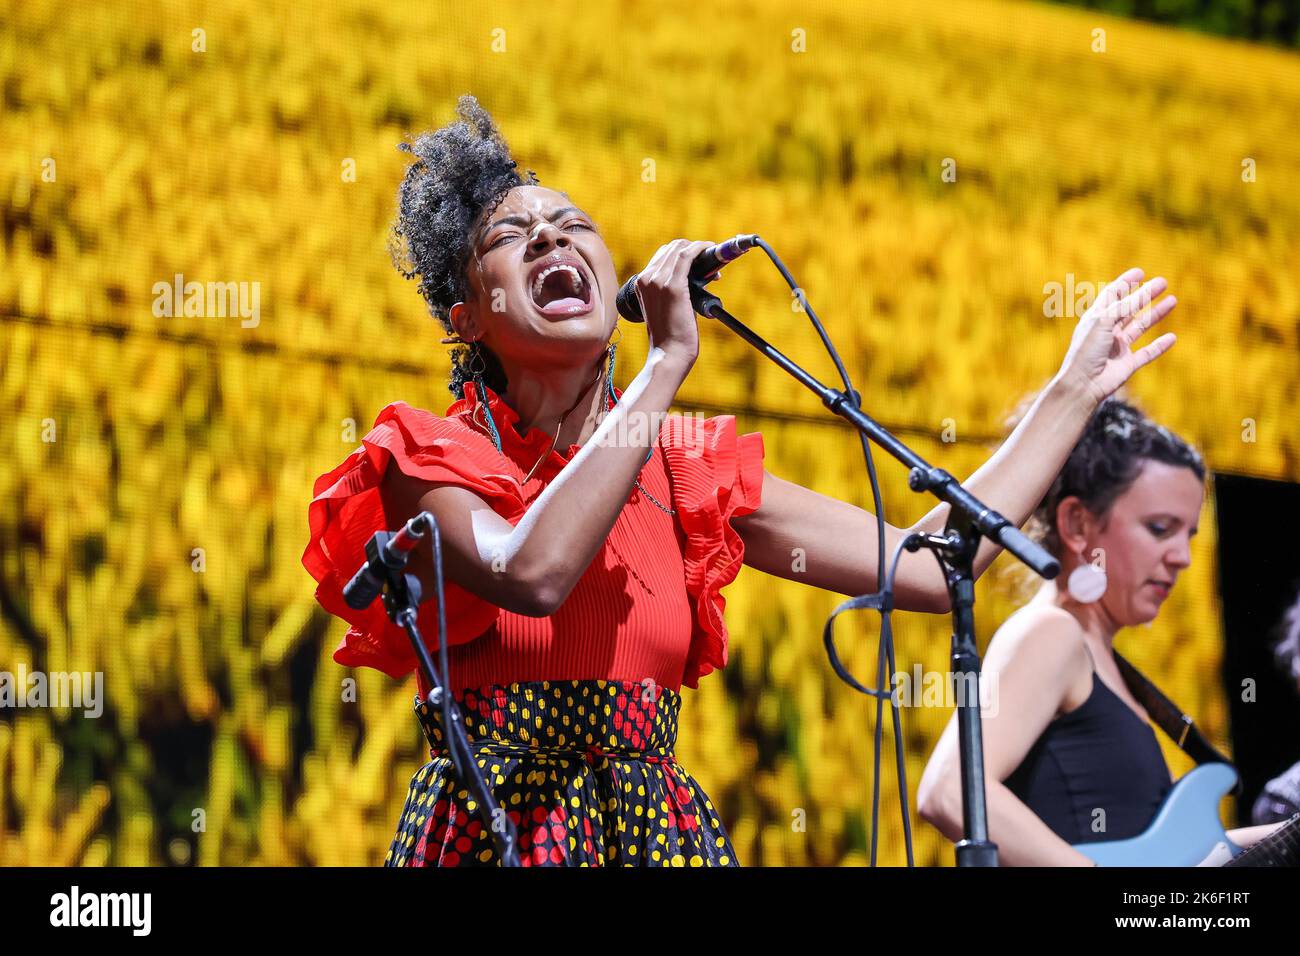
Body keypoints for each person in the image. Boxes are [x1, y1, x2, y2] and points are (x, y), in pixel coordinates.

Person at [302, 94, 1178, 867]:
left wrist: (1069, 396)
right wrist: (669, 361)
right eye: (509, 235)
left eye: (573, 226)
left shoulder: (685, 465)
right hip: (495, 834)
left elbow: (924, 566)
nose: (548, 237)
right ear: (467, 320)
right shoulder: (426, 456)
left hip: (656, 836)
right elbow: (533, 573)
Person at [918, 398, 1276, 864]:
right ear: (1077, 524)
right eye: (1161, 528)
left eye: (1187, 536)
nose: (1182, 557)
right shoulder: (1052, 633)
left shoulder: (1102, 661)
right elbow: (951, 790)